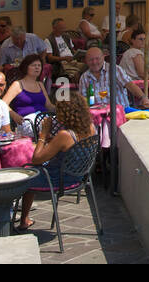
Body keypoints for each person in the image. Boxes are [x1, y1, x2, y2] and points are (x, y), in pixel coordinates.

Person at [15, 94, 98, 232]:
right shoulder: (91, 128)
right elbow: (68, 146)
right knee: (34, 170)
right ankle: (24, 219)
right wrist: (53, 140)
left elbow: (36, 159)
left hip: (57, 180)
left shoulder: (65, 135)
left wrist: (43, 134)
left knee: (25, 174)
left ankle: (21, 219)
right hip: (79, 177)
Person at [1, 54, 52, 135]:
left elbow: (48, 105)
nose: (37, 67)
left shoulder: (40, 84)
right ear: (26, 67)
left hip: (43, 118)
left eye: (39, 65)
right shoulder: (18, 84)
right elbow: (2, 103)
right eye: (33, 65)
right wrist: (14, 115)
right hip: (26, 121)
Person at [77, 47, 146, 106]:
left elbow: (130, 85)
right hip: (97, 115)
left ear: (103, 57)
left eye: (97, 58)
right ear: (86, 61)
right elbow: (83, 99)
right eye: (91, 60)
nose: (94, 62)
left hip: (120, 113)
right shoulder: (84, 77)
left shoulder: (115, 69)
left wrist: (144, 98)